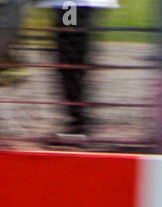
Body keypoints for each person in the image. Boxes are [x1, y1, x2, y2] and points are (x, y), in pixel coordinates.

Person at [36, 0, 119, 137]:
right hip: (73, 5)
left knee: (70, 60)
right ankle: (77, 118)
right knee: (71, 59)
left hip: (72, 5)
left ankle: (77, 121)